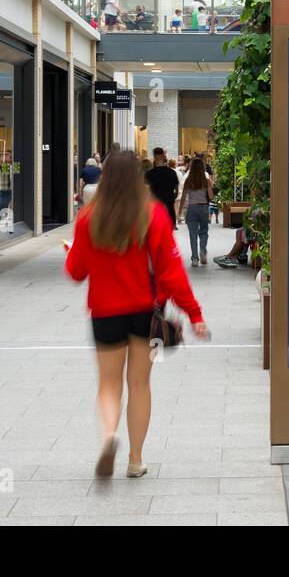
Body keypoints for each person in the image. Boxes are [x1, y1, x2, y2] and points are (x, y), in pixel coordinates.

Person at [65, 151, 208, 478]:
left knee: (109, 384)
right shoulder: (154, 215)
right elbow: (171, 273)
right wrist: (195, 314)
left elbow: (75, 272)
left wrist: (74, 253)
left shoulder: (89, 218)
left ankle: (109, 435)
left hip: (104, 314)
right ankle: (135, 459)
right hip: (147, 314)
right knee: (140, 384)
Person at [178, 158, 213, 266]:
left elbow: (183, 197)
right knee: (203, 232)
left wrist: (179, 212)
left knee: (192, 235)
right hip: (203, 208)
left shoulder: (188, 180)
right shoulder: (206, 180)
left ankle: (194, 259)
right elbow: (211, 197)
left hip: (192, 208)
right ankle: (202, 250)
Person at [145, 148, 179, 227]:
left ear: (154, 157)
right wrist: (171, 198)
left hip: (154, 210)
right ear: (164, 156)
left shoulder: (149, 174)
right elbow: (176, 191)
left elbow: (146, 193)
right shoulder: (172, 173)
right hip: (169, 208)